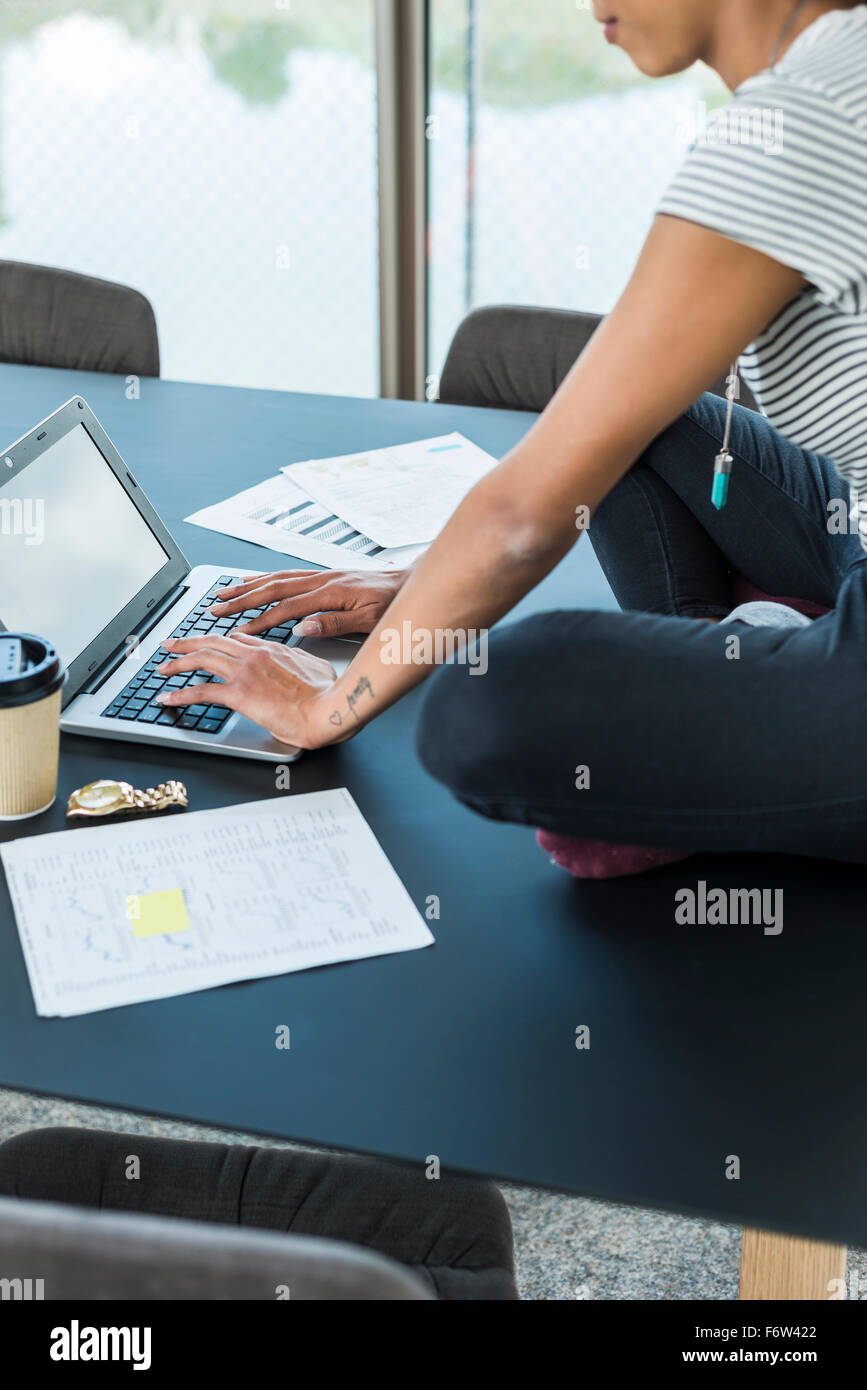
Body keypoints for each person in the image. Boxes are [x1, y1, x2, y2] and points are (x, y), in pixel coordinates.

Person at [155, 2, 867, 868]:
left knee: (485, 706)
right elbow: (584, 446)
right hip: (850, 521)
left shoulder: (790, 129)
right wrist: (419, 592)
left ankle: (730, 743)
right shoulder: (834, 75)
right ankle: (726, 692)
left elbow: (523, 517)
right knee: (642, 414)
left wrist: (332, 703)